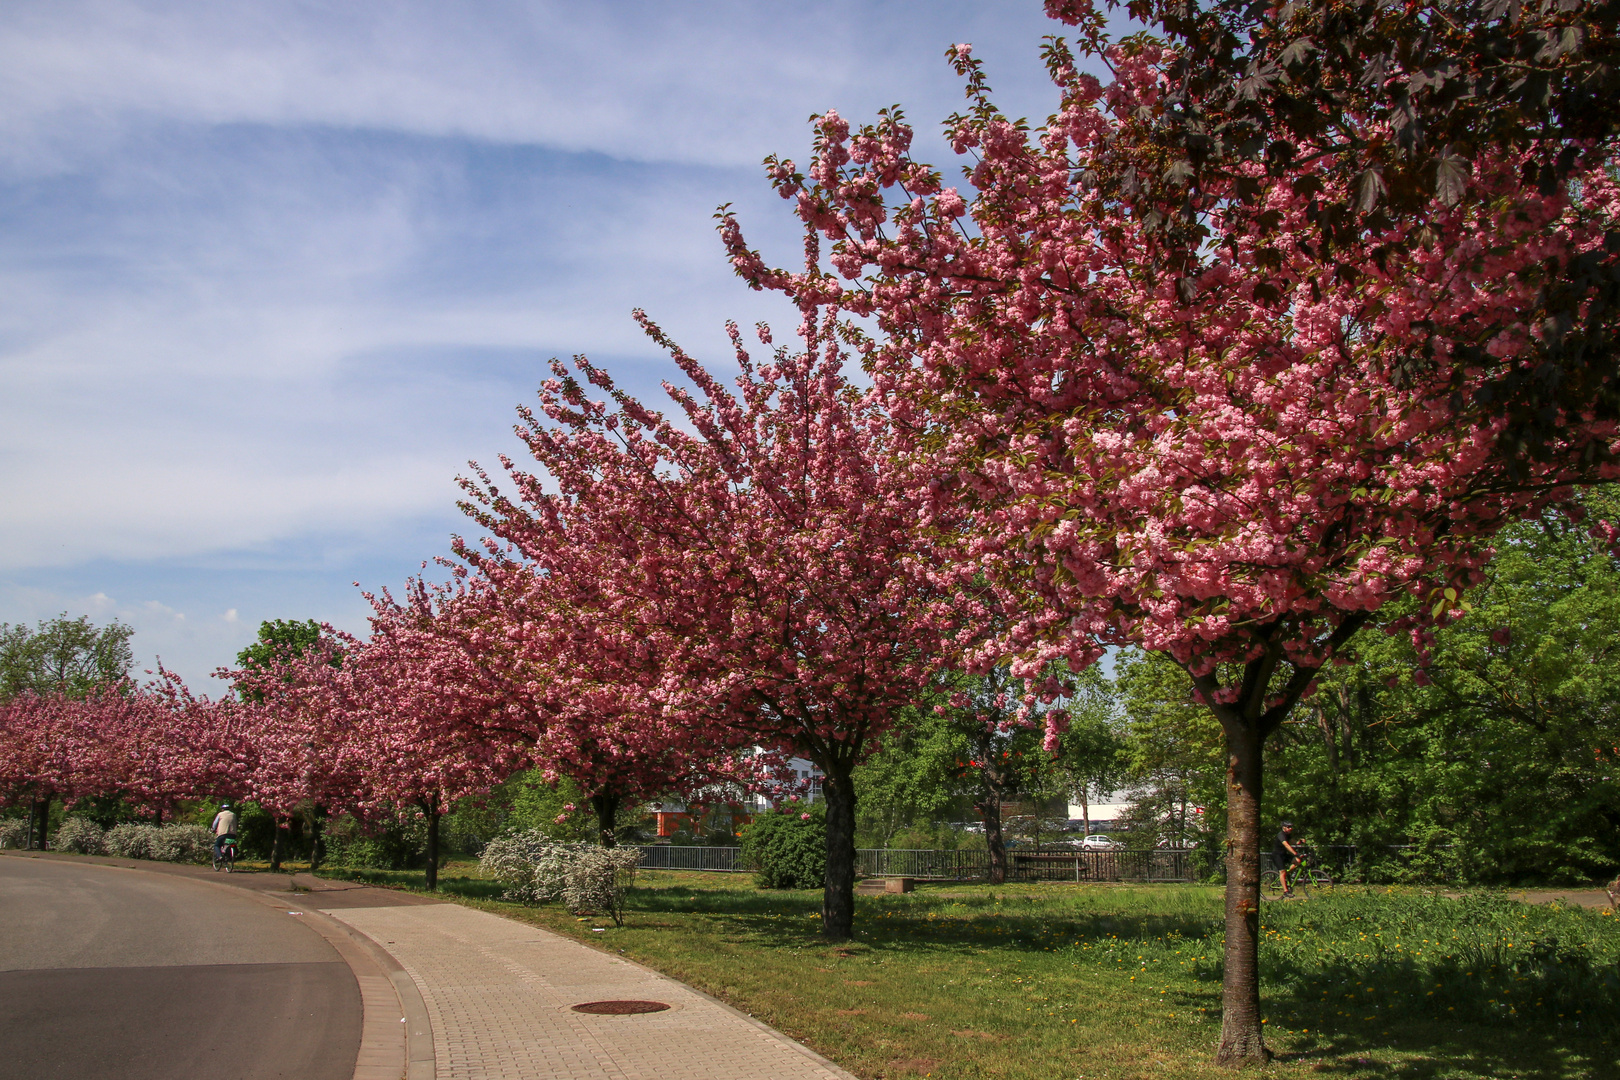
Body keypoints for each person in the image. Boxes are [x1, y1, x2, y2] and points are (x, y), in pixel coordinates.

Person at [1273, 822, 1302, 897]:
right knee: (1282, 872)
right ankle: (1286, 892)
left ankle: (1288, 873)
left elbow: (1294, 842)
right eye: (1289, 827)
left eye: (1291, 827)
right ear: (1284, 827)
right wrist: (1295, 853)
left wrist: (1300, 841)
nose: (1291, 828)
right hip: (1277, 855)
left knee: (1298, 861)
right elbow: (1287, 845)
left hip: (1284, 854)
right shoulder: (1281, 835)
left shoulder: (1288, 835)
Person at [209, 803, 239, 870]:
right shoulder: (233, 815)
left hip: (222, 833)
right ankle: (228, 856)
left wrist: (213, 829)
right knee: (229, 844)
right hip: (233, 834)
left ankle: (220, 856)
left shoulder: (220, 814)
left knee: (217, 845)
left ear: (222, 809)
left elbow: (215, 823)